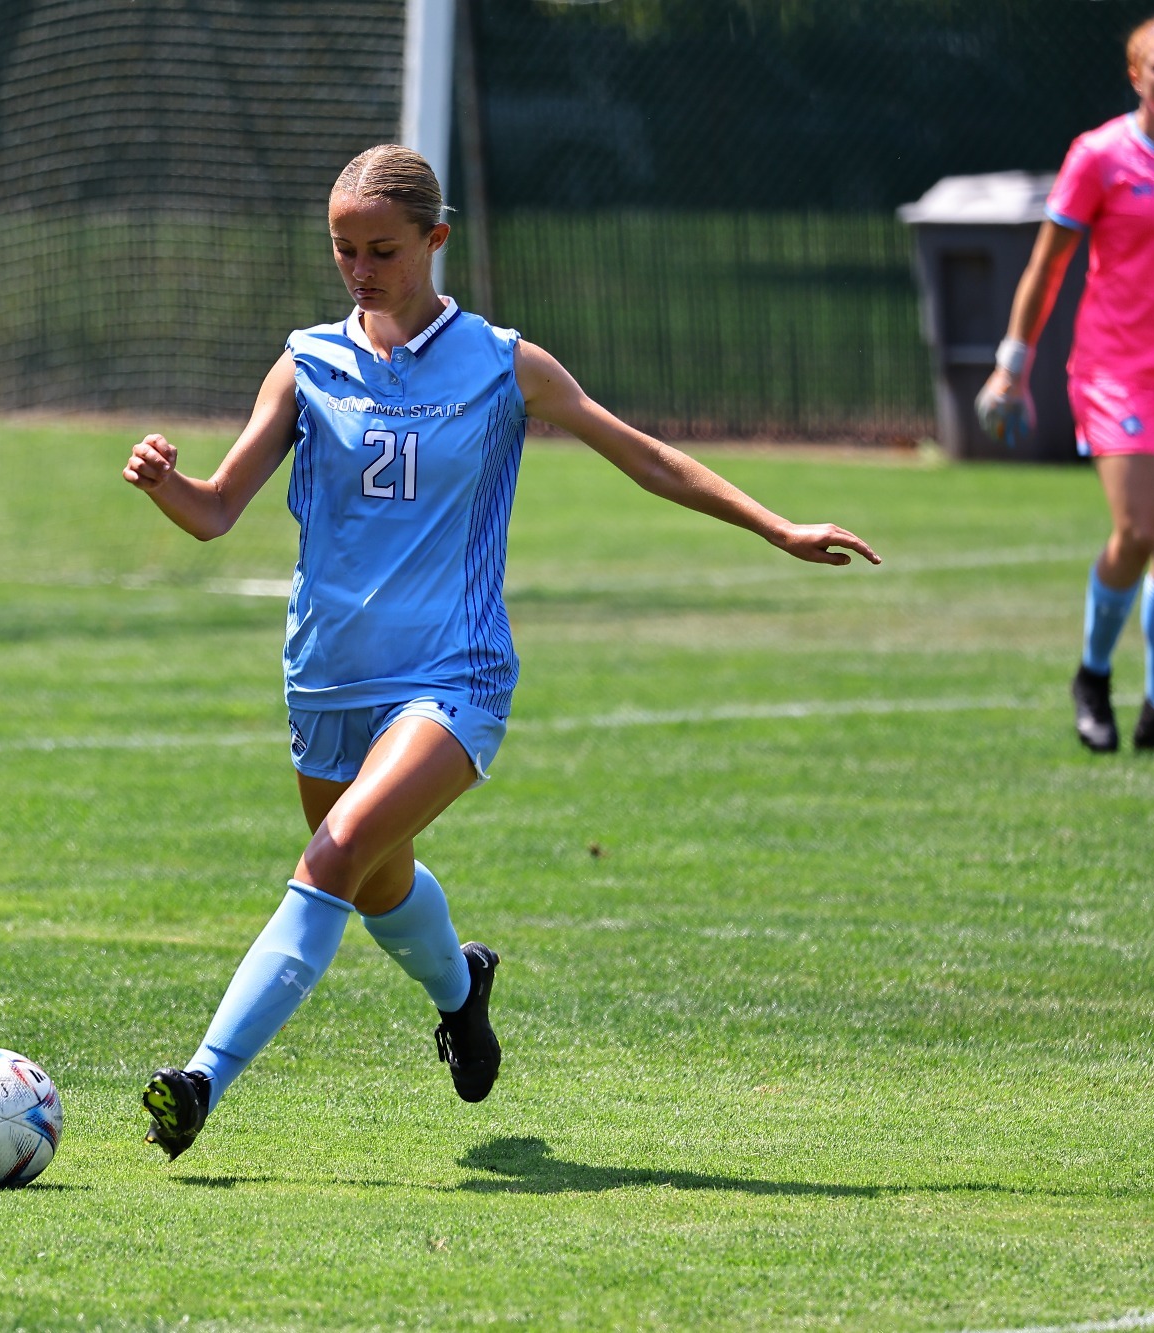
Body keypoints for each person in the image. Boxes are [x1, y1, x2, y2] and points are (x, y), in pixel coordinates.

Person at [121, 144, 879, 1160]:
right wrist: (165, 482)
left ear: (434, 241)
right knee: (378, 879)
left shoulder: (501, 362)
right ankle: (458, 987)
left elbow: (642, 455)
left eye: (381, 249)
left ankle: (201, 1080)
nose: (359, 270)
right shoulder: (306, 362)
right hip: (325, 674)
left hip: (452, 673)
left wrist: (775, 525)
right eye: (342, 251)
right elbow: (215, 512)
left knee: (335, 857)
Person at [977, 13, 1154, 755]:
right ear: (1135, 76)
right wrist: (1011, 366)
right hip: (1115, 373)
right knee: (1138, 530)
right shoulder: (1099, 156)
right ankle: (1093, 675)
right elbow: (1046, 269)